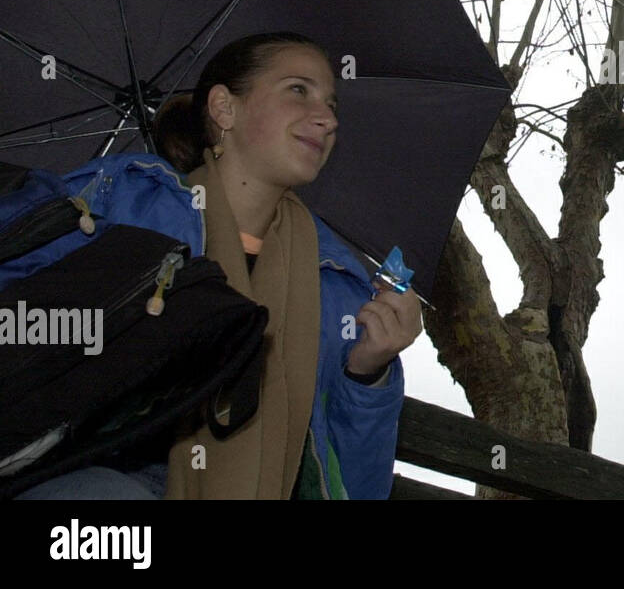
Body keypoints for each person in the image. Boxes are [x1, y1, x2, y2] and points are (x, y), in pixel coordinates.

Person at [10, 32, 422, 499]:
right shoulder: (124, 198)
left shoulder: (335, 283)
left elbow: (357, 489)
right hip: (89, 474)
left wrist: (368, 374)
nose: (327, 119)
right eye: (298, 90)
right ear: (225, 109)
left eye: (332, 105)